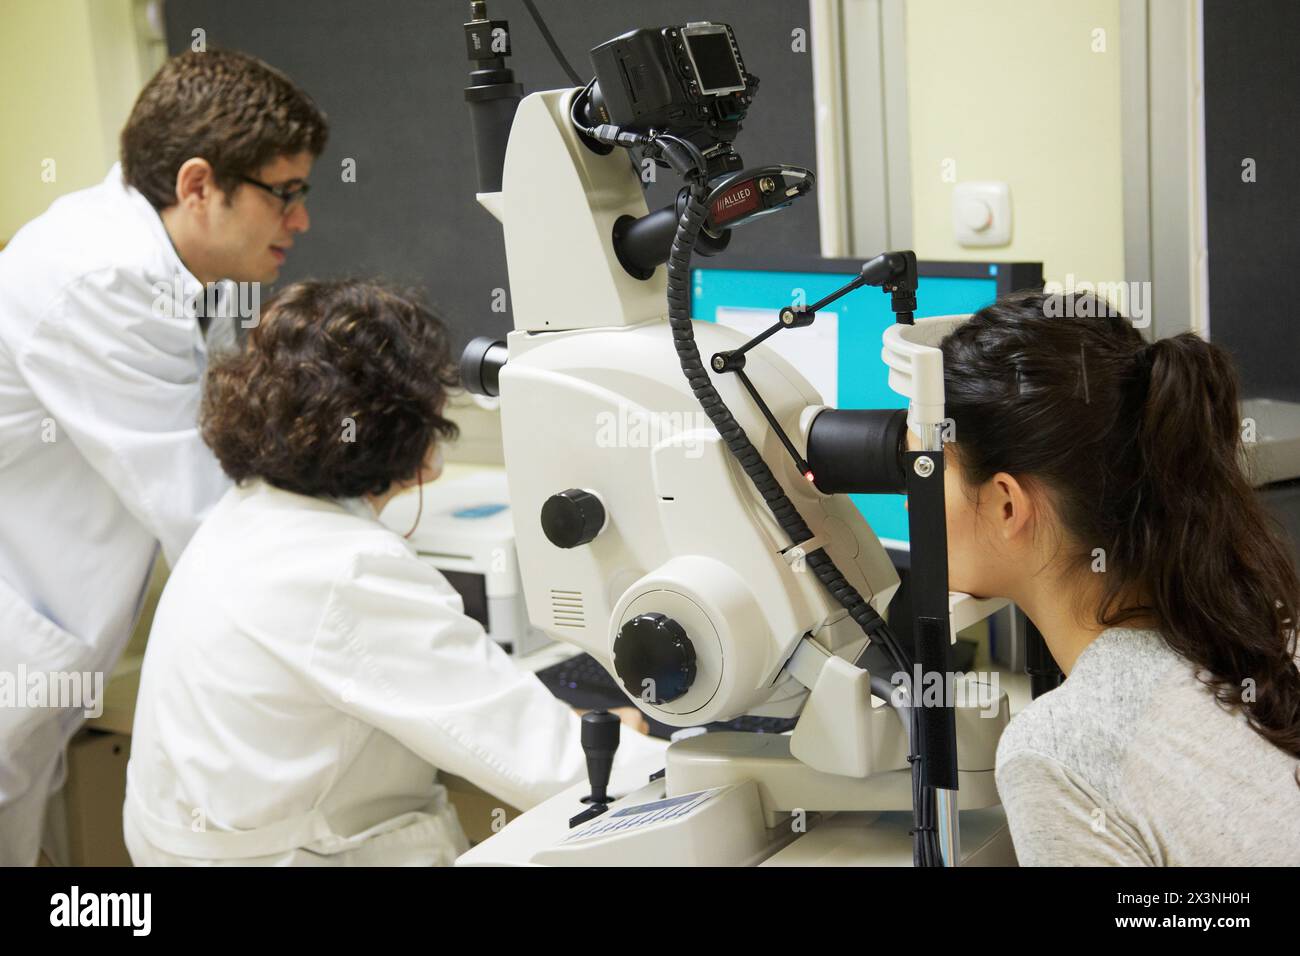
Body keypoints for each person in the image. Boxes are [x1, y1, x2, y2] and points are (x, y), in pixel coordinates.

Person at [123, 279, 666, 866]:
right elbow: (553, 766)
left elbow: (474, 710)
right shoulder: (346, 569)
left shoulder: (245, 514)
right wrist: (666, 753)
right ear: (409, 426)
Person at [0, 48, 328, 865]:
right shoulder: (99, 278)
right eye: (284, 195)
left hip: (44, 651)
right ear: (195, 186)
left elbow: (228, 442)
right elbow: (202, 509)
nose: (302, 221)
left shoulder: (178, 269)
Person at [919, 288, 1300, 865]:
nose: (910, 499)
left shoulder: (1057, 753)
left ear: (1005, 505)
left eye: (927, 469)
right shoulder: (1272, 635)